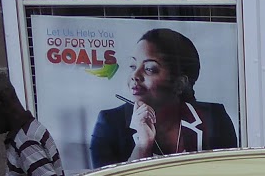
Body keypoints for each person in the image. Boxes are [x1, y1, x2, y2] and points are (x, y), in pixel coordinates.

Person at [90, 29, 239, 167]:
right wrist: (143, 146)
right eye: (132, 66)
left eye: (149, 69)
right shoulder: (109, 123)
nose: (135, 76)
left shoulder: (215, 118)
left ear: (180, 83)